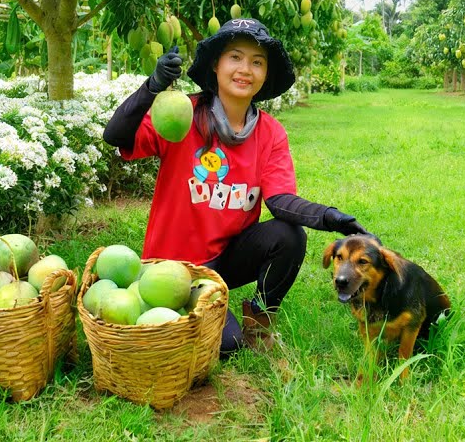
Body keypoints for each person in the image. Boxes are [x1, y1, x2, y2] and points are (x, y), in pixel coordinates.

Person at [102, 18, 370, 356]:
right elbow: (115, 136)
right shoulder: (183, 114)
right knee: (227, 346)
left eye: (257, 62)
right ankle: (198, 308)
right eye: (235, 58)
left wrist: (330, 217)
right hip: (170, 268)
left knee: (290, 235)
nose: (246, 69)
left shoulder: (270, 133)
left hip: (224, 262)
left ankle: (258, 320)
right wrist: (152, 86)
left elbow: (280, 200)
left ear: (265, 74)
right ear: (216, 65)